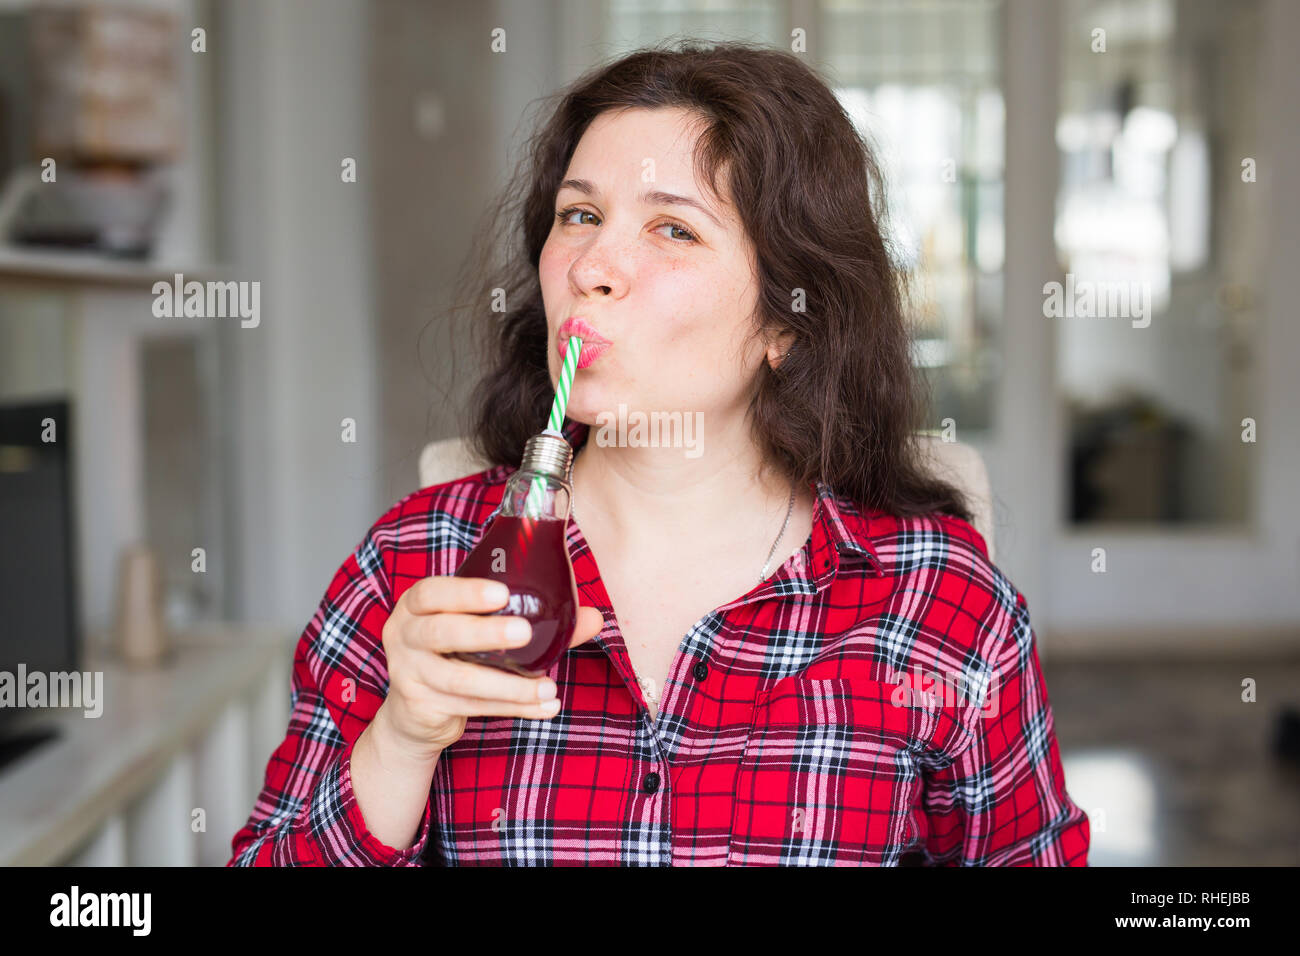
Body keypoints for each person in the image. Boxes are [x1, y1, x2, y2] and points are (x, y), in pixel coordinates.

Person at [229, 40, 1089, 866]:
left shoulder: (941, 607)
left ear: (786, 321)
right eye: (581, 216)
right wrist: (402, 739)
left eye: (673, 230)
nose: (593, 267)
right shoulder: (412, 568)